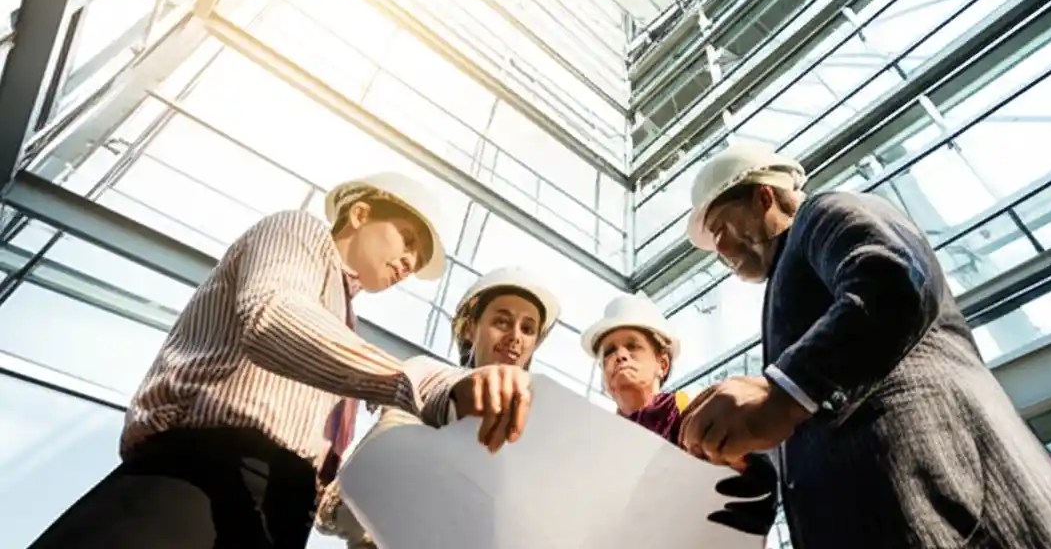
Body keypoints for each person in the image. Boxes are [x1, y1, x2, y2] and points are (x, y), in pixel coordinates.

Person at [28, 173, 532, 549]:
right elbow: (271, 317)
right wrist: (414, 383)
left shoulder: (341, 317)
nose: (409, 263)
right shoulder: (299, 233)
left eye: (418, 260)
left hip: (276, 511)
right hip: (199, 475)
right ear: (360, 214)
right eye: (407, 241)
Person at [675, 143, 1051, 548]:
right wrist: (756, 469)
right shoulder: (784, 285)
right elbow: (816, 406)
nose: (719, 247)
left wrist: (783, 391)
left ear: (763, 197)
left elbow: (892, 277)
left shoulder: (823, 213)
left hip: (947, 508)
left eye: (721, 227)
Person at [315, 266, 562, 548]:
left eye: (528, 329)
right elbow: (350, 504)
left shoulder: (539, 437)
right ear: (470, 329)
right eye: (503, 322)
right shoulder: (424, 388)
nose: (516, 337)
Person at [581, 292, 778, 539]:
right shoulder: (598, 447)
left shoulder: (694, 413)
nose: (620, 356)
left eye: (633, 346)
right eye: (609, 352)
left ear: (662, 365)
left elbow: (754, 491)